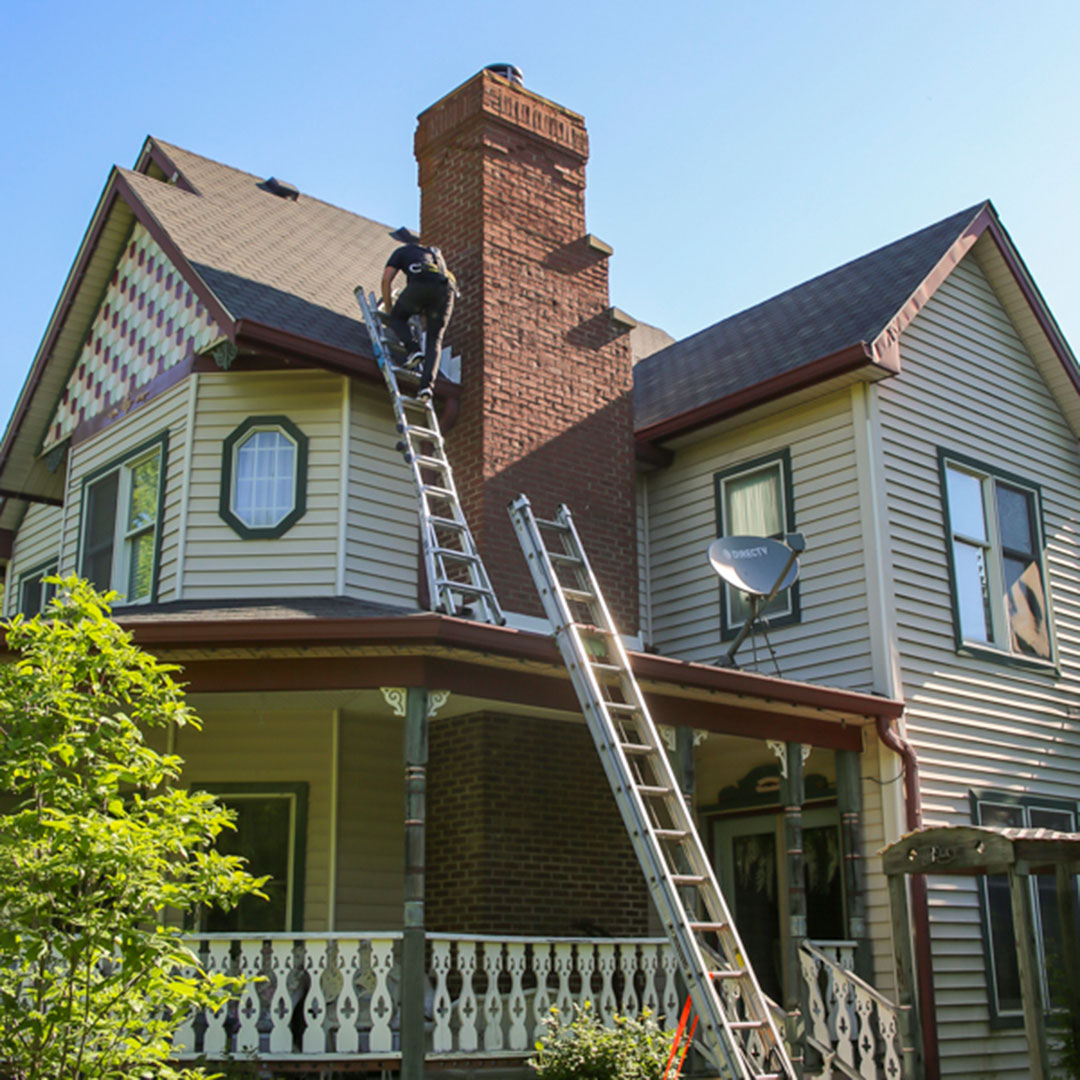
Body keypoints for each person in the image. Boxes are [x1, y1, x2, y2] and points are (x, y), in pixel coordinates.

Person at [381, 227, 457, 400]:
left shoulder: (401, 252)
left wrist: (389, 308)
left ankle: (413, 349)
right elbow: (431, 294)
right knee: (435, 339)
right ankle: (426, 388)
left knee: (398, 317)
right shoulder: (434, 256)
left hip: (423, 281)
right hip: (447, 289)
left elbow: (386, 279)